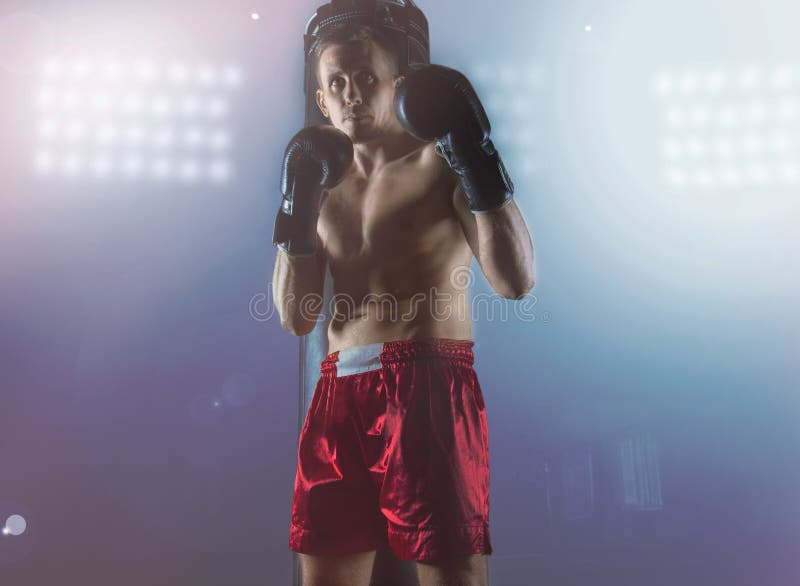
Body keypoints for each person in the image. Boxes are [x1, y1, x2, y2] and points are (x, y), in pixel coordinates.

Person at [272, 3, 535, 584]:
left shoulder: (440, 165)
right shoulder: (318, 181)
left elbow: (516, 281)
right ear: (320, 100)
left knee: (452, 575)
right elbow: (296, 317)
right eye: (336, 84)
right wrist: (295, 209)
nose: (351, 95)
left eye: (367, 78)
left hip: (428, 382)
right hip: (336, 388)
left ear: (399, 82)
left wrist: (477, 156)